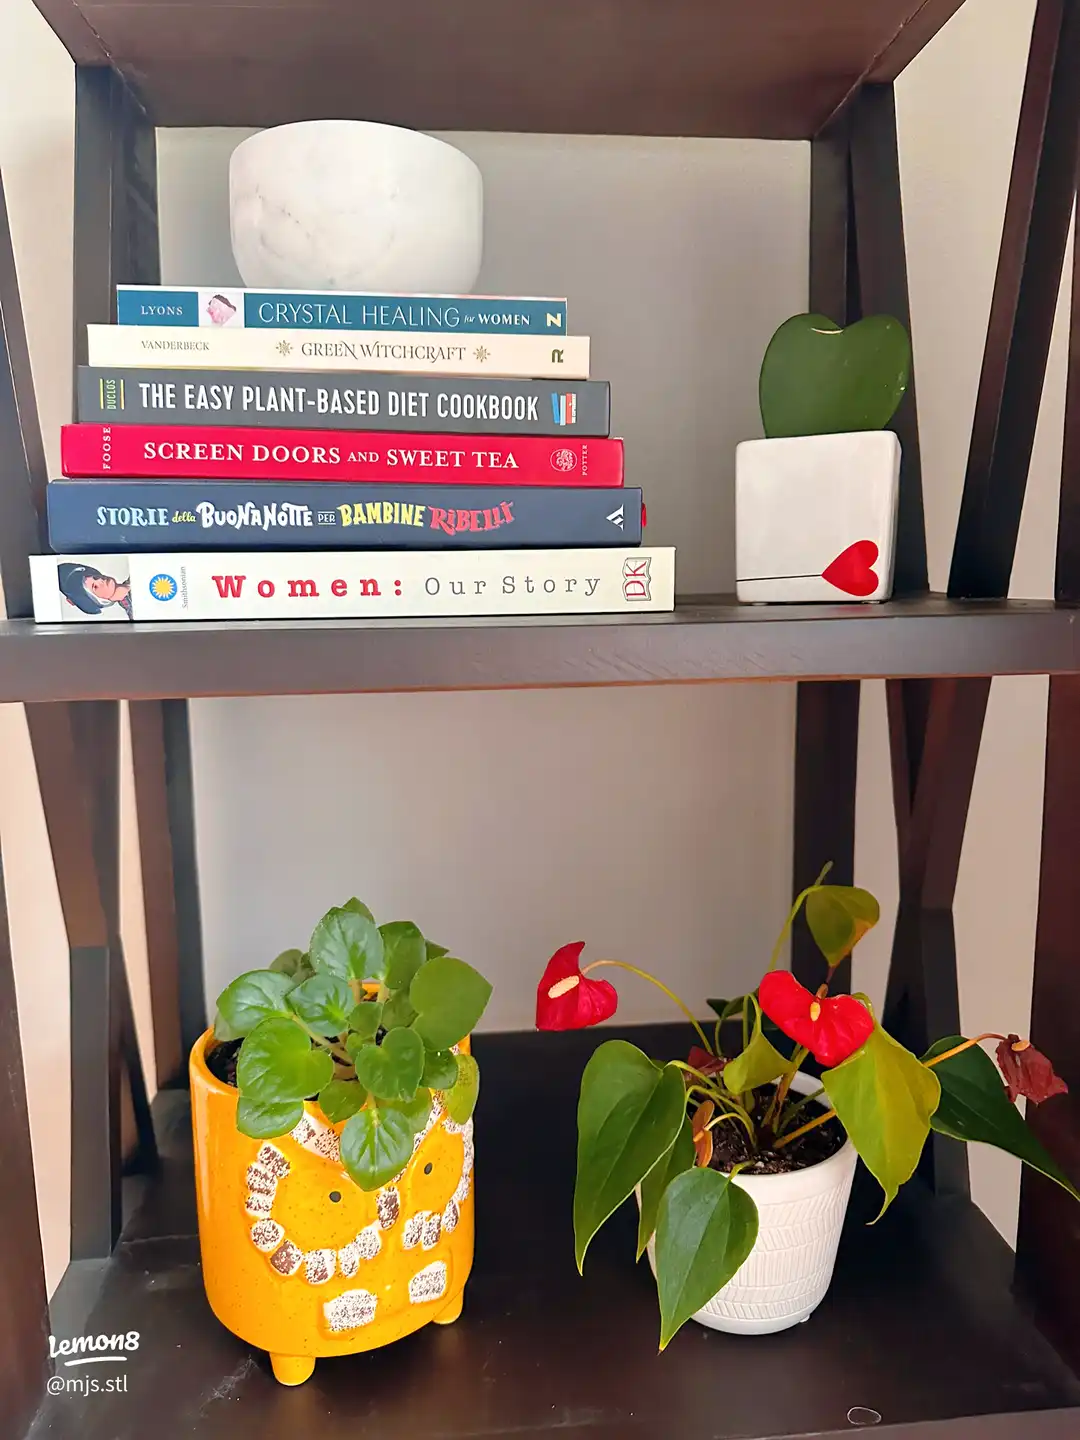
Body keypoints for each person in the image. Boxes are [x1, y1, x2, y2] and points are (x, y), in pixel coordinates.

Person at [57, 562, 133, 619]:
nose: (100, 580)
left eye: (95, 577)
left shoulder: (136, 570)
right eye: (95, 586)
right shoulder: (134, 612)